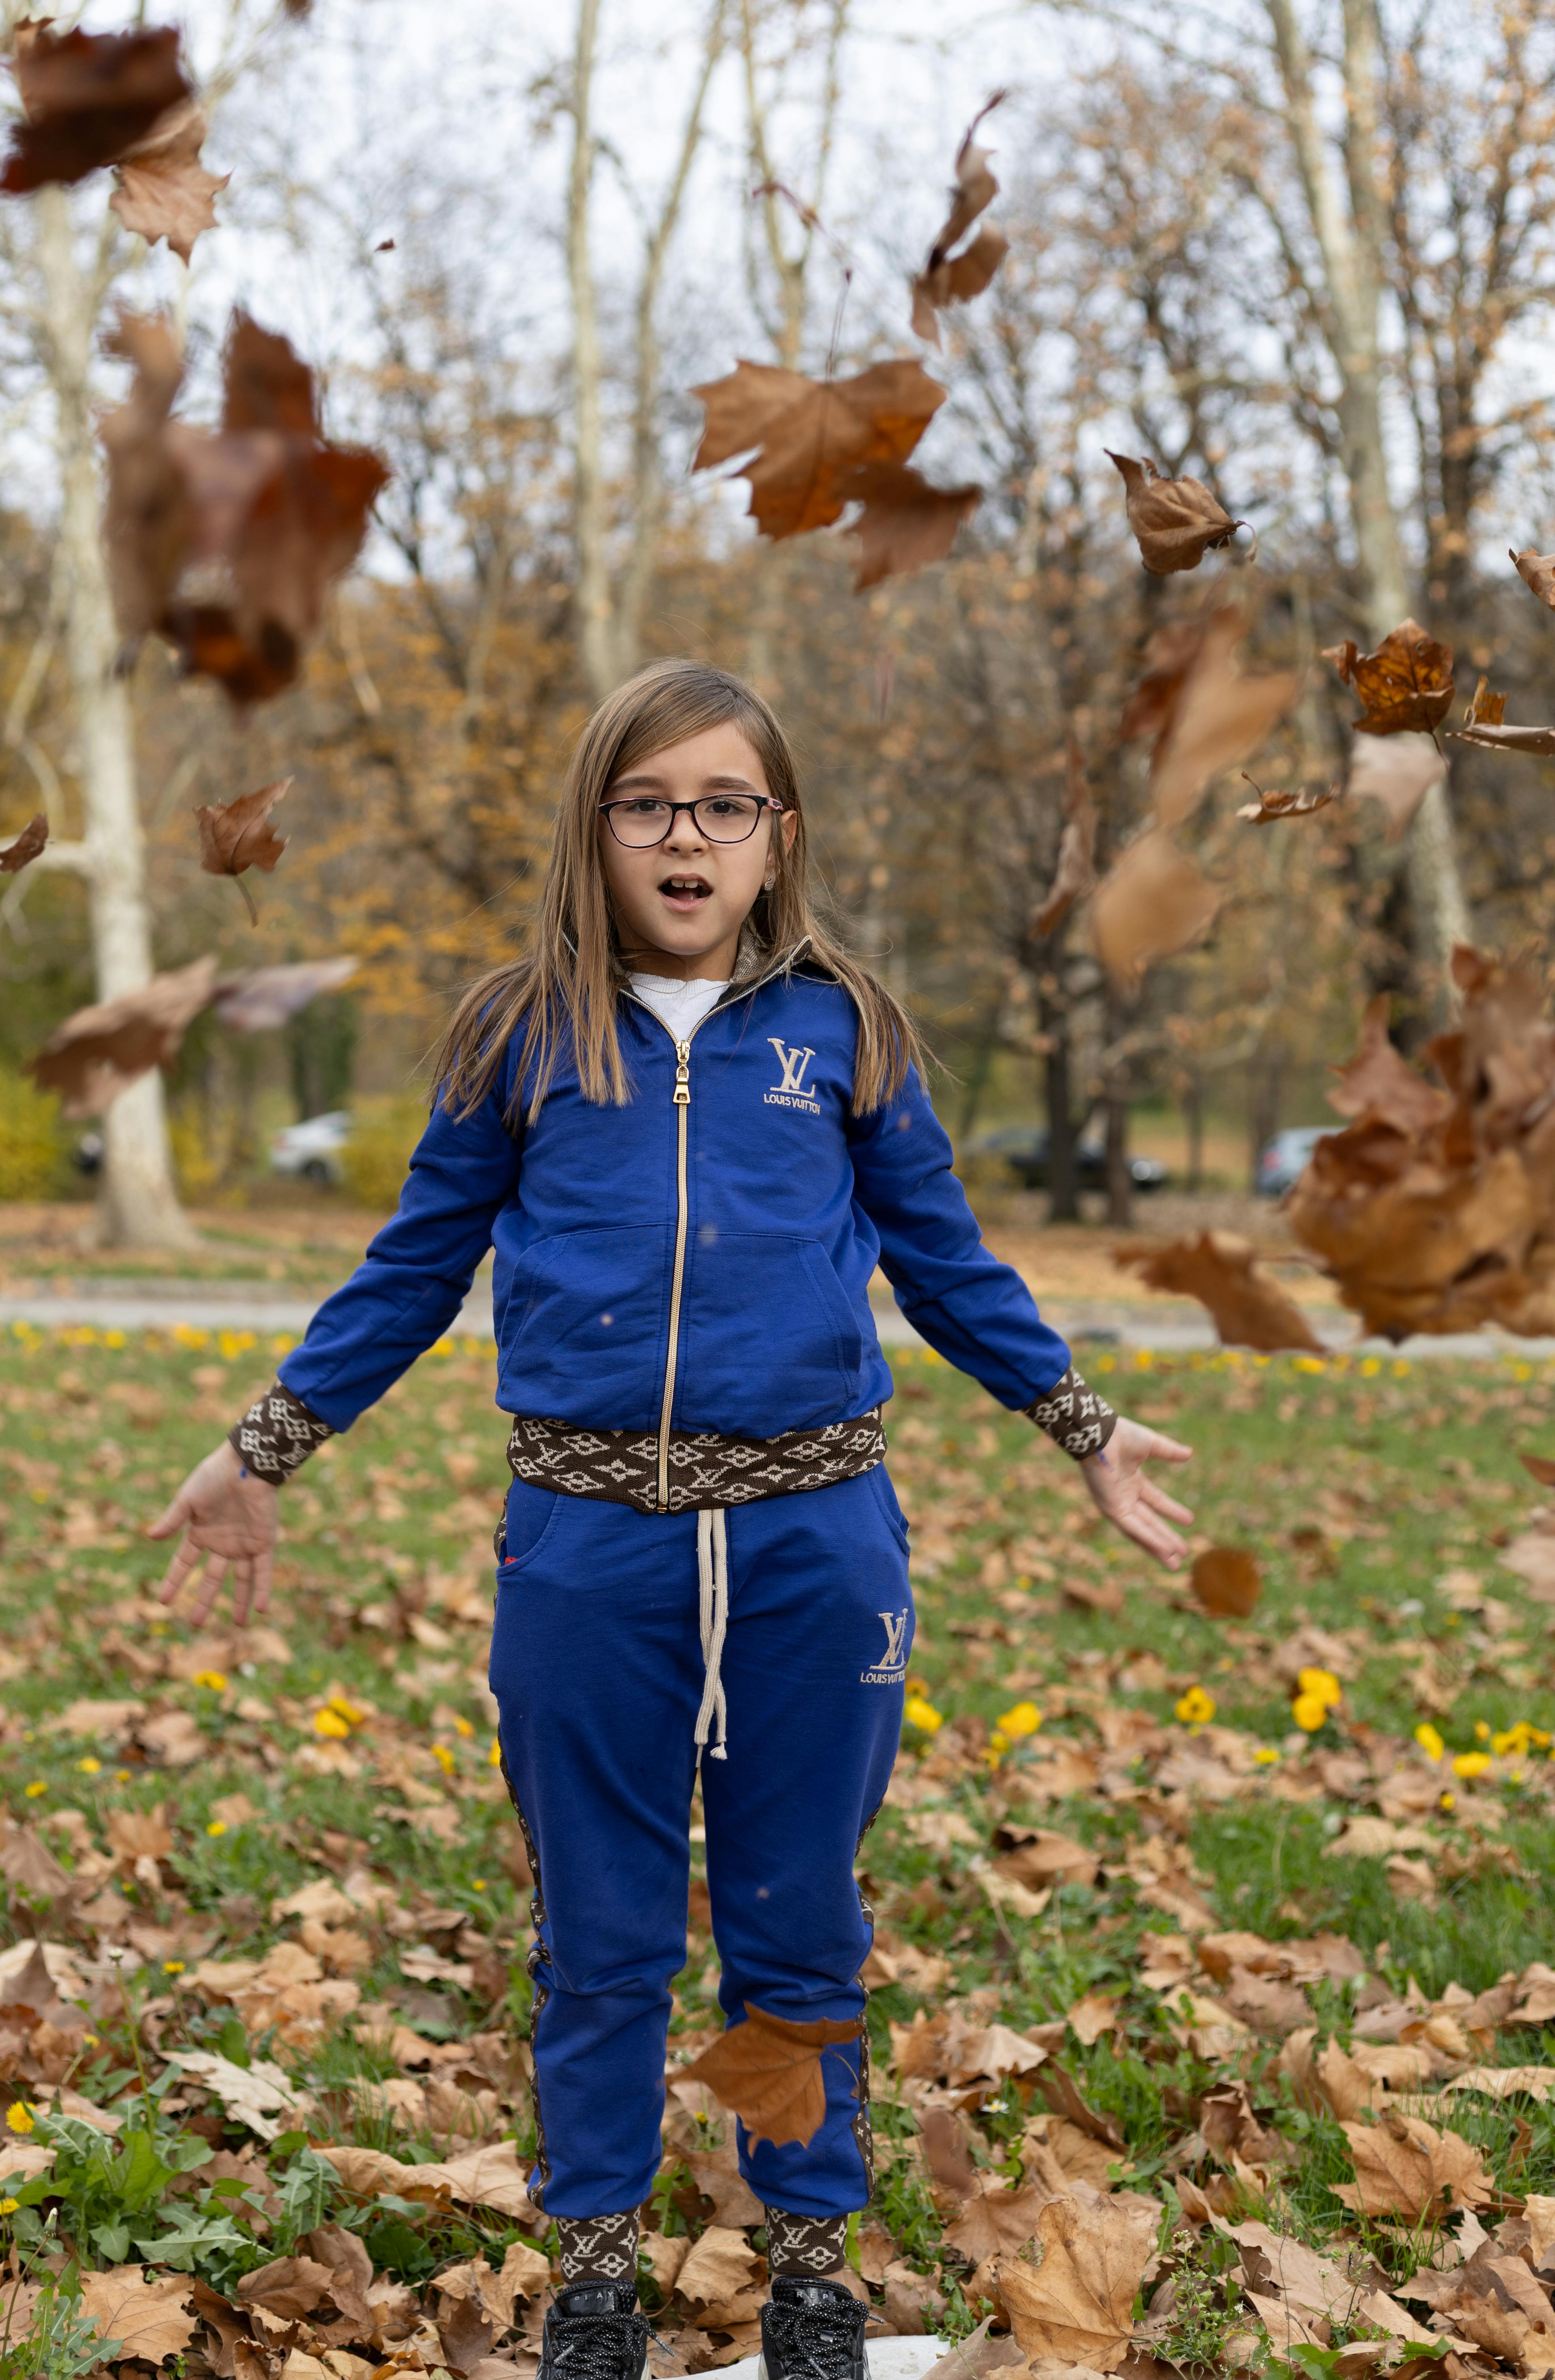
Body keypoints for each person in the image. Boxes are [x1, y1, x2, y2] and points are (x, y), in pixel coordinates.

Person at [152, 660, 1193, 2380]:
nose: (685, 836)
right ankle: (594, 2281)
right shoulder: (519, 1032)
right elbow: (414, 1268)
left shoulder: (842, 1029)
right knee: (601, 1933)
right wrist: (263, 1447)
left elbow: (943, 1258)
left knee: (798, 1916)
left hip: (815, 1547)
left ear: (776, 841)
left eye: (724, 805)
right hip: (586, 1554)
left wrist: (1074, 1423)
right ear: (596, 832)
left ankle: (805, 2276)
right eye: (648, 805)